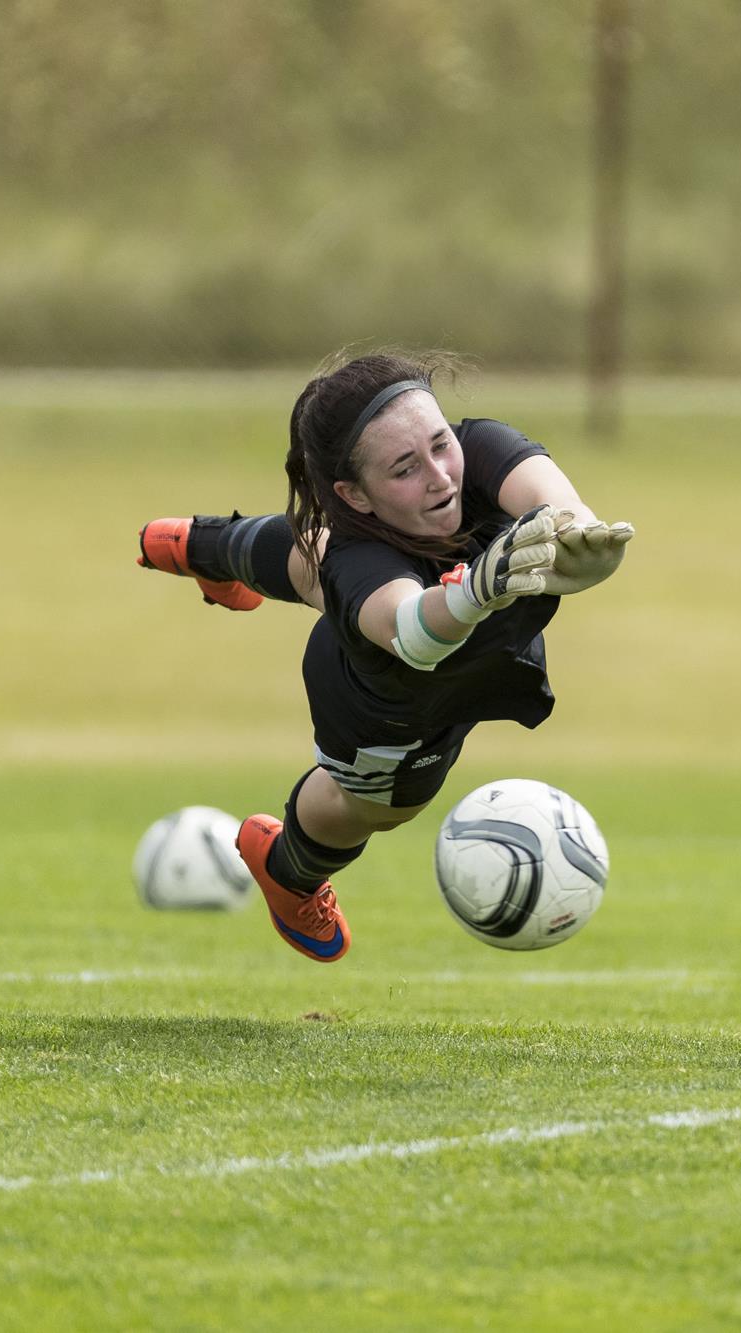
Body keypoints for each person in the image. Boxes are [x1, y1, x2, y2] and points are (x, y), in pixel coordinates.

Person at [137, 351, 633, 962]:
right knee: (376, 808)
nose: (440, 475)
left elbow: (561, 511)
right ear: (356, 492)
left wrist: (579, 544)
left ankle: (198, 545)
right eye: (404, 468)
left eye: (440, 444)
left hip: (443, 631)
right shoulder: (357, 562)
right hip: (390, 700)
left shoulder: (480, 452)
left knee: (310, 553)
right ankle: (286, 869)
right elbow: (413, 633)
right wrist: (478, 587)